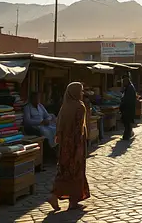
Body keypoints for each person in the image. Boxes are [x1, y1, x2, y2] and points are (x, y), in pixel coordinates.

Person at [49, 82, 91, 211]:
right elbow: (79, 130)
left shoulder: (64, 107)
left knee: (64, 170)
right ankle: (73, 200)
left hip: (64, 147)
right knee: (76, 171)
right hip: (76, 145)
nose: (82, 93)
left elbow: (59, 127)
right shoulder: (79, 106)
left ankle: (55, 195)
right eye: (81, 91)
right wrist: (79, 148)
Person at [120, 75, 137, 140]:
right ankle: (127, 135)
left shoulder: (130, 88)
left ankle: (127, 135)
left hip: (128, 109)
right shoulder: (129, 87)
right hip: (128, 108)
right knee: (127, 123)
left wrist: (123, 104)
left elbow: (127, 99)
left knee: (127, 122)